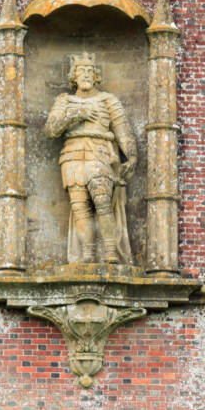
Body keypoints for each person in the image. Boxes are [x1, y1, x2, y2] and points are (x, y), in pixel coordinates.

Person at [44, 52, 136, 264]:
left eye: (89, 71)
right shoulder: (64, 101)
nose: (85, 75)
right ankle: (87, 254)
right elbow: (50, 129)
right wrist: (77, 115)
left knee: (102, 201)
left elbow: (123, 131)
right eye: (80, 71)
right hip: (72, 156)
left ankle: (111, 252)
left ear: (96, 76)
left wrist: (131, 156)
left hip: (100, 153)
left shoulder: (108, 100)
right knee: (79, 207)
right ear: (73, 77)